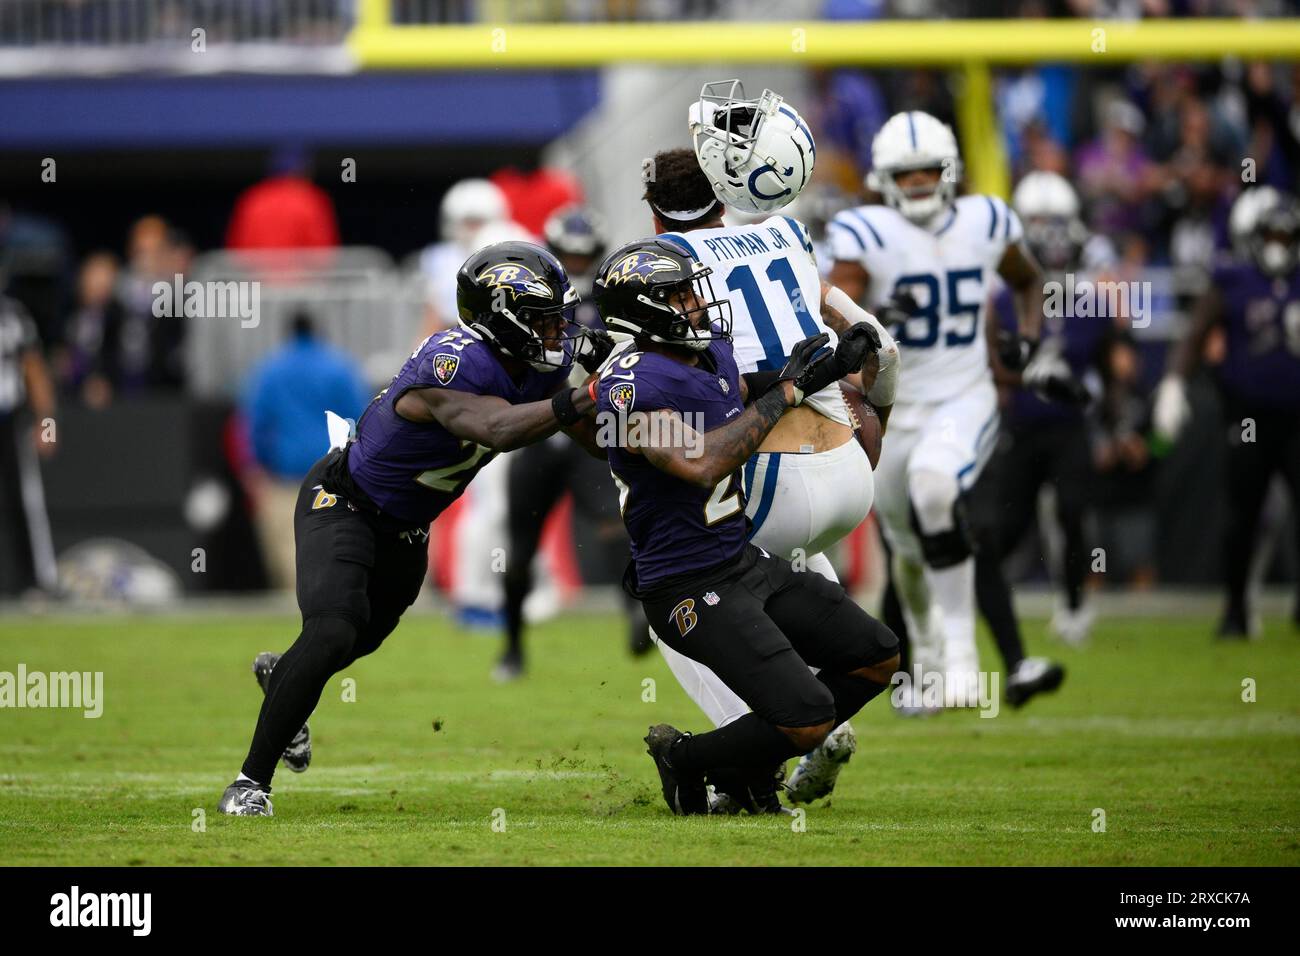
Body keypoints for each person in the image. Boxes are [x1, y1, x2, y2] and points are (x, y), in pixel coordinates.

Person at [218, 241, 614, 816]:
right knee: (332, 630)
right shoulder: (452, 360)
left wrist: (615, 384)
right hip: (344, 503)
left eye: (559, 318)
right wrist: (587, 391)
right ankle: (249, 782)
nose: (557, 332)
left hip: (407, 529)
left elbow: (596, 443)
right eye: (543, 319)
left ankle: (285, 676)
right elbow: (497, 428)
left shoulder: (538, 368)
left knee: (355, 642)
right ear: (501, 319)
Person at [636, 81, 901, 808]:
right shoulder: (789, 233)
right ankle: (812, 718)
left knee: (676, 592)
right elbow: (880, 346)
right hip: (847, 471)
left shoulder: (666, 261)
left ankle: (768, 745)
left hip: (766, 476)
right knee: (793, 580)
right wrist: (871, 430)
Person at [587, 236, 899, 816]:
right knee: (808, 718)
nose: (697, 304)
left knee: (876, 656)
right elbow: (701, 462)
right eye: (680, 296)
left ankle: (742, 768)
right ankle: (685, 757)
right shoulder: (632, 386)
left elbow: (740, 391)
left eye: (692, 291)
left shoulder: (709, 353)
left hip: (741, 560)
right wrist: (786, 393)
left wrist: (830, 366)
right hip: (686, 584)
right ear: (643, 312)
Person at [827, 110, 1045, 709]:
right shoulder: (866, 231)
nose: (919, 182)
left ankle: (963, 664)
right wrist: (874, 320)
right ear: (885, 179)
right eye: (907, 174)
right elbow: (831, 319)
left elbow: (1029, 281)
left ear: (948, 171)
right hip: (892, 405)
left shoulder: (986, 220)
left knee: (934, 489)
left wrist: (1028, 341)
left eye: (927, 170)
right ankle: (924, 663)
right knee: (904, 545)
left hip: (962, 393)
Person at [495, 207, 651, 680]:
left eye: (584, 257)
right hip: (541, 431)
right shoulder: (528, 303)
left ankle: (636, 613)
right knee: (520, 548)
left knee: (614, 523)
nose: (577, 265)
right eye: (569, 256)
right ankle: (512, 646)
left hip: (589, 430)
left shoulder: (607, 303)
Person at [1154, 187, 1300, 637]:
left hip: (1297, 418)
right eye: (1270, 235)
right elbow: (1196, 333)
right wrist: (1173, 384)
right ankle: (1236, 608)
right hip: (1249, 416)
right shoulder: (1233, 279)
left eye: (1284, 236)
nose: (1277, 245)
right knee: (1243, 513)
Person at [241, 312, 371, 590]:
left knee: (291, 553)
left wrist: (255, 466)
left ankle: (299, 606)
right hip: (334, 477)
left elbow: (256, 426)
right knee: (335, 546)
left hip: (285, 478)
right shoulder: (340, 368)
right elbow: (359, 421)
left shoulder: (269, 371)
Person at [0, 294, 57, 596]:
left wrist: (47, 424)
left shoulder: (13, 315)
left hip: (11, 418)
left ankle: (40, 579)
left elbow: (34, 369)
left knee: (27, 500)